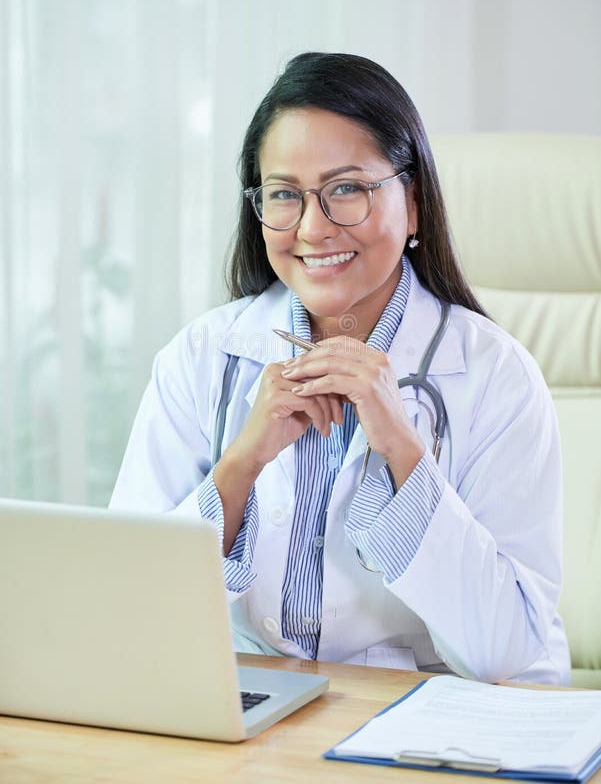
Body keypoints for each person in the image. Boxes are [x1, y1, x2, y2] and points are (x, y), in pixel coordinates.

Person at [110, 51, 570, 684]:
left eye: (347, 189)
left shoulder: (496, 375)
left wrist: (403, 451)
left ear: (412, 204)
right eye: (284, 195)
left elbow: (508, 650)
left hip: (430, 719)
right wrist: (241, 462)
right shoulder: (200, 359)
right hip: (253, 707)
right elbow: (125, 614)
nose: (312, 227)